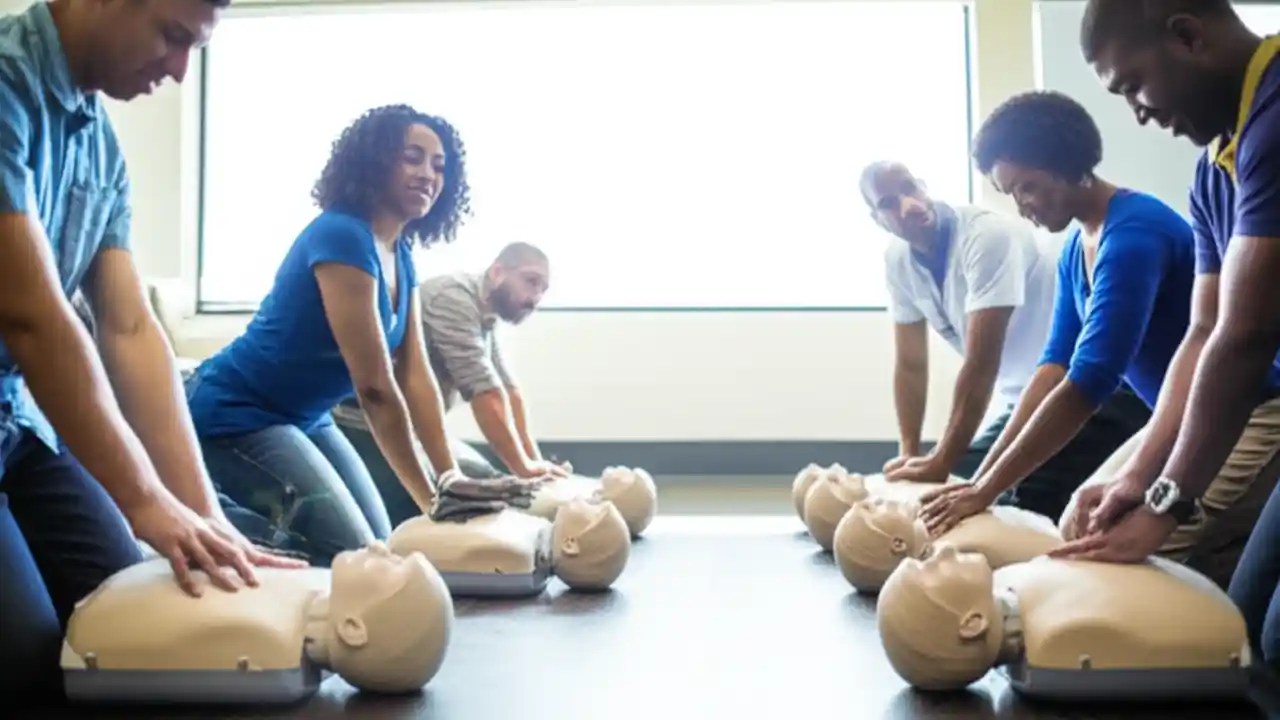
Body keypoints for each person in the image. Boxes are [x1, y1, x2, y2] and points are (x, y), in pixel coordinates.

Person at [0, 0, 306, 703]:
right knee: (30, 664)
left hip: (16, 421)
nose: (177, 69)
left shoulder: (99, 147)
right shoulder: (5, 82)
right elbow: (31, 315)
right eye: (172, 37)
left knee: (137, 606)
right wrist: (142, 497)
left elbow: (130, 330)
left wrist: (204, 515)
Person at [1053, 0, 1280, 669]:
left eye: (1132, 87)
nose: (1139, 113)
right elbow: (1203, 332)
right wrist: (1138, 479)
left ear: (1186, 36)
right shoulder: (1214, 173)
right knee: (1249, 630)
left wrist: (1169, 501)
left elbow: (1246, 336)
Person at [185, 104, 480, 567]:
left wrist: (448, 477)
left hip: (308, 417)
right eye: (412, 157)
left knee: (378, 544)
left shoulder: (400, 253)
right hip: (238, 412)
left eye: (439, 165)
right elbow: (376, 389)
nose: (428, 173)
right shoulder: (342, 236)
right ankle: (206, 523)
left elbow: (415, 375)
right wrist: (432, 502)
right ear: (376, 161)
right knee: (357, 557)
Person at [920, 90, 1196, 539]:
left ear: (1068, 165)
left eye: (1027, 186)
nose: (1022, 205)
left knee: (1134, 548)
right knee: (1078, 526)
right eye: (1011, 193)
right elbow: (1053, 366)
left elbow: (1088, 382)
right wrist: (978, 481)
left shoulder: (1134, 233)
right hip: (1174, 419)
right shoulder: (1075, 247)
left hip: (1239, 415)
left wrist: (986, 489)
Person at [861, 161, 1149, 510]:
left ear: (923, 185)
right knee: (951, 487)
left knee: (1011, 497)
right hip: (1026, 400)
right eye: (889, 203)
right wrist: (909, 457)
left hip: (1089, 396)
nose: (909, 205)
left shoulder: (986, 237)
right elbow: (910, 364)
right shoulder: (899, 261)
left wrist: (941, 462)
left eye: (910, 189)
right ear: (877, 219)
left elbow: (981, 364)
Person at [336, 242, 566, 526]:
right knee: (475, 504)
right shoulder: (453, 299)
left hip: (414, 435)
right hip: (366, 430)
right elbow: (485, 393)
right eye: (531, 282)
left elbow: (509, 391)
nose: (535, 298)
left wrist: (535, 464)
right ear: (497, 272)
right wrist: (523, 467)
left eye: (543, 289)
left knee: (499, 484)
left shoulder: (485, 315)